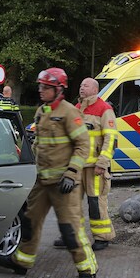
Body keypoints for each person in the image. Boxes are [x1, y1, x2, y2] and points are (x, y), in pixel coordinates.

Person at [0, 67, 98, 278]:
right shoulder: (41, 111)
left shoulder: (69, 112)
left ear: (58, 89)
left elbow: (83, 145)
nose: (41, 90)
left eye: (46, 87)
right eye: (41, 86)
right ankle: (22, 261)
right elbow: (38, 145)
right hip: (42, 182)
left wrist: (72, 173)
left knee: (70, 230)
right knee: (29, 222)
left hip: (64, 184)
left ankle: (87, 270)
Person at [54, 77, 116, 250]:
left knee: (95, 203)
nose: (81, 87)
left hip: (94, 168)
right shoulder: (76, 108)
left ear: (95, 89)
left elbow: (111, 139)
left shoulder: (104, 109)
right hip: (76, 167)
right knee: (71, 202)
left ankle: (102, 237)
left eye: (86, 85)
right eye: (81, 85)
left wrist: (102, 163)